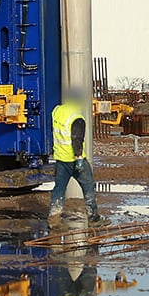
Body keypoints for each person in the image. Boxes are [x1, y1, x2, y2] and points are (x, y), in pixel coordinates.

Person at [47, 95, 100, 225]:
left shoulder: (57, 111)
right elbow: (77, 139)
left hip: (60, 159)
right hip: (74, 159)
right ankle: (93, 217)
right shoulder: (77, 118)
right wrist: (79, 158)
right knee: (88, 186)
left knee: (59, 189)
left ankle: (54, 218)